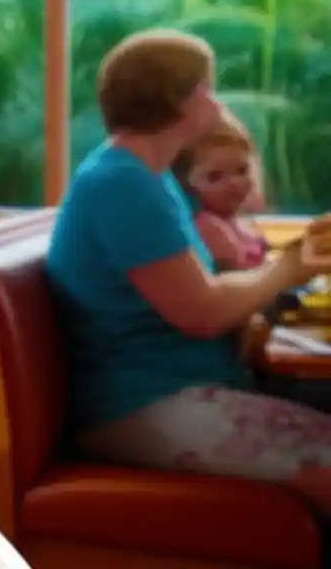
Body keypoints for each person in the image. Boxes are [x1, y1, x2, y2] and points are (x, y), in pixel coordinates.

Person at [46, 28, 331, 516]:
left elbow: (206, 288)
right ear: (187, 99)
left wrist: (285, 268)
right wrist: (284, 271)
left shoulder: (150, 179)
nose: (215, 101)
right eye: (208, 88)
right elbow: (199, 312)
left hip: (178, 388)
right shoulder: (121, 183)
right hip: (141, 404)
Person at [173, 110, 269, 272]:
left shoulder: (239, 222)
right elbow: (240, 280)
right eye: (214, 176)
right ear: (186, 183)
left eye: (242, 170)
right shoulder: (208, 227)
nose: (234, 183)